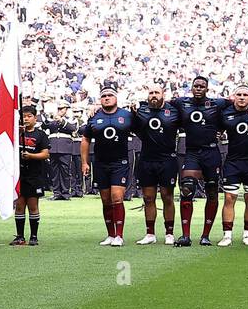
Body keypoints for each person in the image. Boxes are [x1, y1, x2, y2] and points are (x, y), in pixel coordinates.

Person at [175, 76, 230, 246]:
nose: (198, 88)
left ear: (207, 89)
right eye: (196, 86)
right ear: (191, 88)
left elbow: (239, 104)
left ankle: (205, 235)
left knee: (212, 192)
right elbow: (158, 102)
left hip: (211, 153)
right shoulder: (181, 103)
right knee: (186, 189)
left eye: (202, 86)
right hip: (192, 153)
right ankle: (186, 236)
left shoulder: (217, 104)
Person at [79, 87, 133, 247]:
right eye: (103, 96)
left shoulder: (127, 115)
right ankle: (110, 234)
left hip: (120, 162)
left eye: (110, 95)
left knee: (117, 196)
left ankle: (119, 235)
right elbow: (85, 139)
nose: (107, 98)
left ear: (116, 98)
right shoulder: (94, 116)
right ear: (100, 99)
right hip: (100, 163)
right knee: (105, 200)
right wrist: (84, 162)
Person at [215, 86, 248, 247]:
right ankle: (227, 235)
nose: (242, 97)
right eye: (239, 95)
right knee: (230, 198)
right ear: (234, 97)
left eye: (245, 95)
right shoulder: (225, 113)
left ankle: (247, 235)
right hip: (233, 161)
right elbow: (218, 129)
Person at [130, 82, 182, 245]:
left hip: (167, 160)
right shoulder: (141, 111)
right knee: (148, 198)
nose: (153, 95)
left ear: (163, 95)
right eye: (151, 92)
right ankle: (150, 234)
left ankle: (169, 233)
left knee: (167, 197)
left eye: (157, 93)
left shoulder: (174, 111)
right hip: (147, 160)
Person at [12, 106, 50, 246]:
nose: (26, 119)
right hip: (19, 174)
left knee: (33, 205)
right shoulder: (16, 134)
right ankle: (20, 236)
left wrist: (31, 156)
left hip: (34, 175)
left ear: (35, 117)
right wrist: (17, 134)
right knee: (19, 204)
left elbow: (45, 154)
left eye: (29, 116)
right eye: (24, 116)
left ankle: (34, 236)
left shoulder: (40, 135)